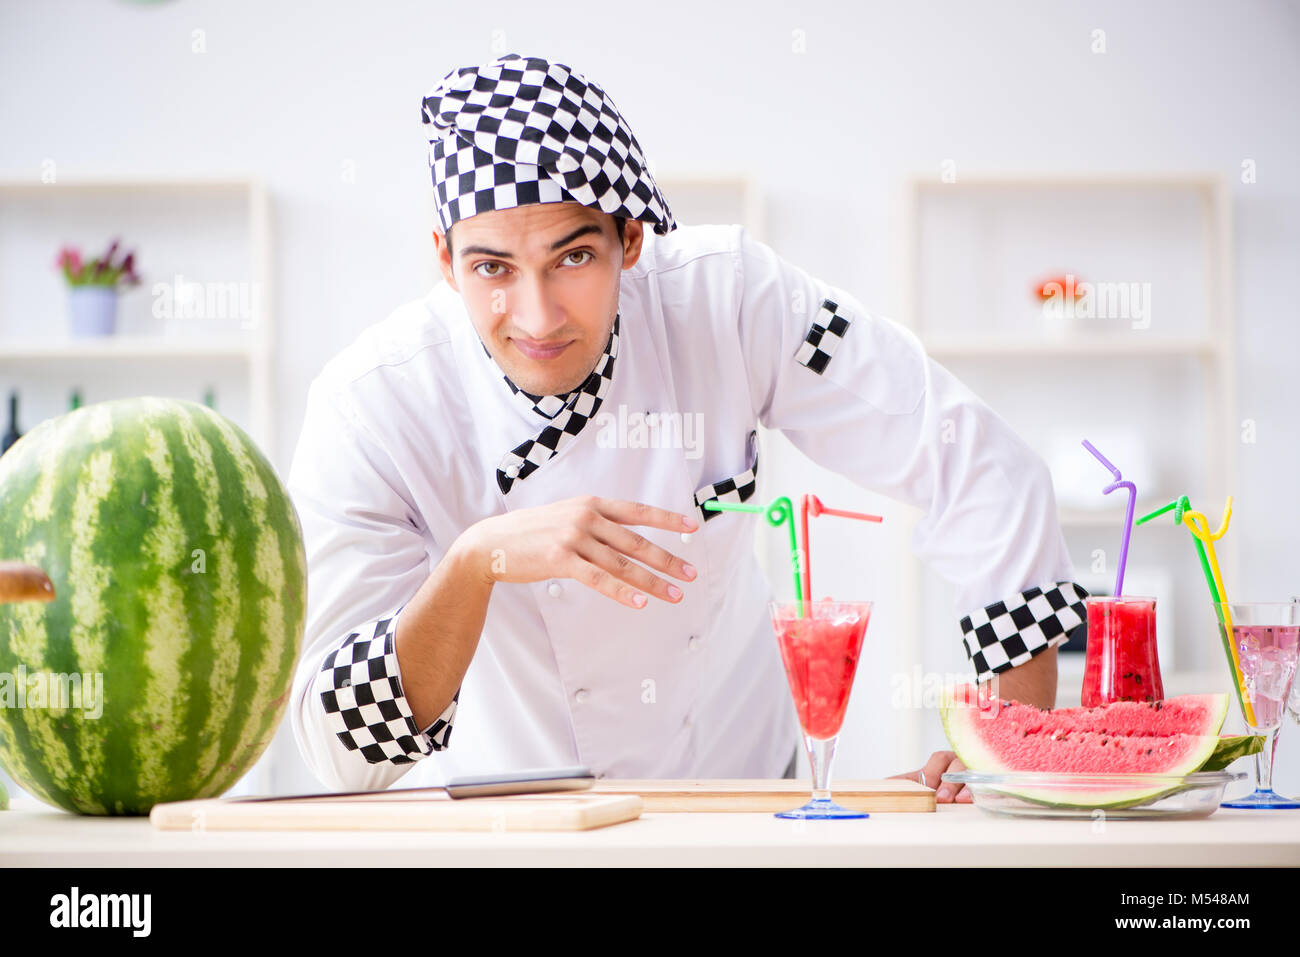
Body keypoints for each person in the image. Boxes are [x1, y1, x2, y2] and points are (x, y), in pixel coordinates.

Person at [286, 53, 1088, 801]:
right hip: (510, 821)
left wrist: (1011, 745)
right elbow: (338, 750)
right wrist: (475, 560)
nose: (535, 316)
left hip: (740, 797)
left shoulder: (730, 298)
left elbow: (975, 459)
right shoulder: (372, 405)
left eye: (572, 259)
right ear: (444, 256)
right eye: (492, 268)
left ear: (631, 238)